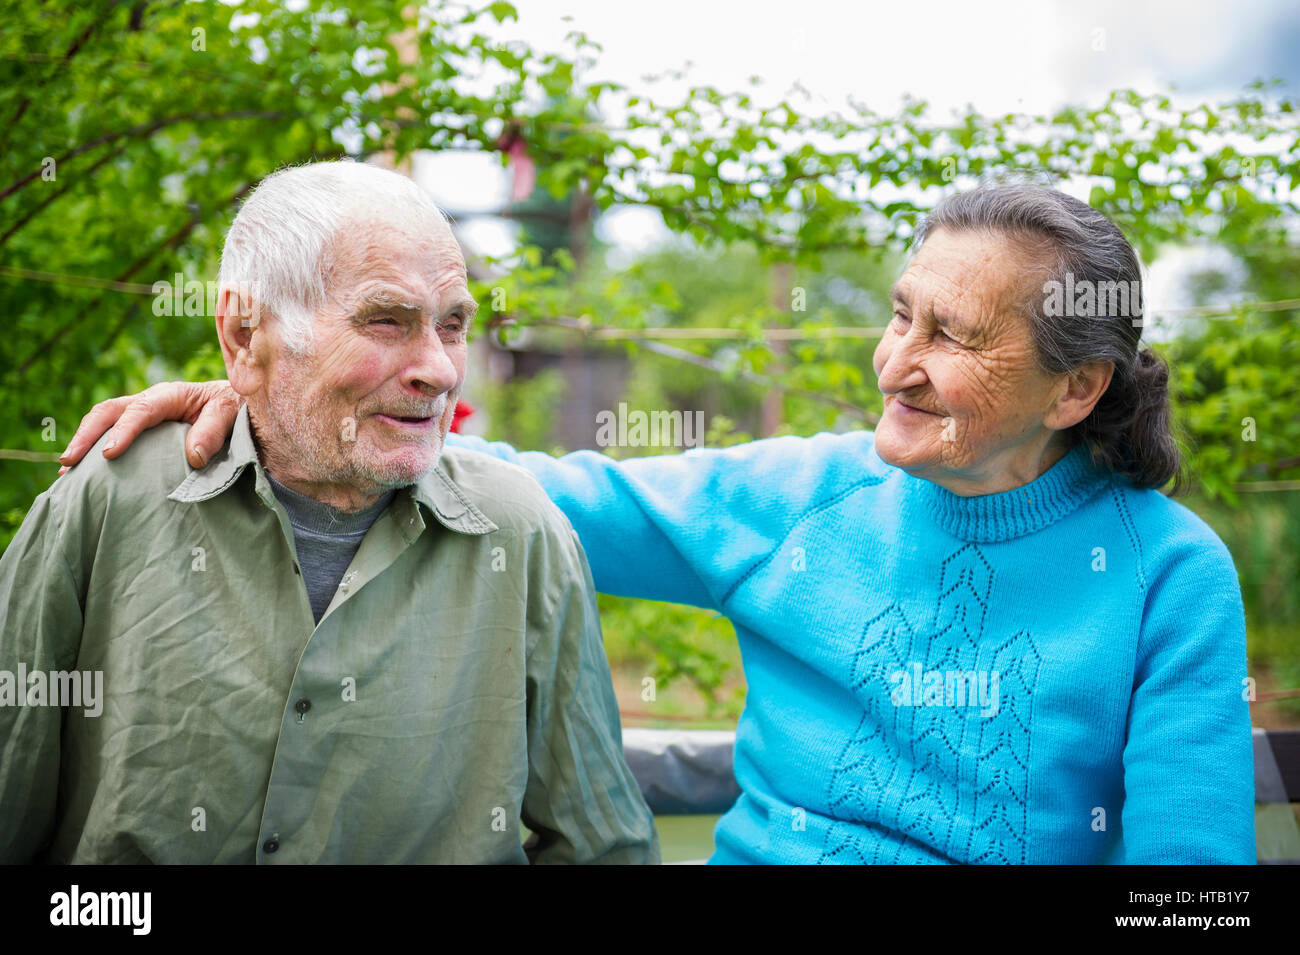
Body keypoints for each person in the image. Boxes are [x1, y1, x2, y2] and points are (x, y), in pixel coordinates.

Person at [58, 183, 1255, 864]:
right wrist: (276, 393)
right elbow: (531, 491)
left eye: (953, 337)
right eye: (901, 315)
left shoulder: (1165, 576)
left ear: (1074, 388)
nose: (898, 361)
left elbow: (1188, 883)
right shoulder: (799, 498)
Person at [0, 160, 659, 864]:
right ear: (245, 335)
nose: (440, 369)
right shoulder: (111, 499)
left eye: (452, 325)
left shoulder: (521, 533)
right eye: (386, 320)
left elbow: (604, 850)